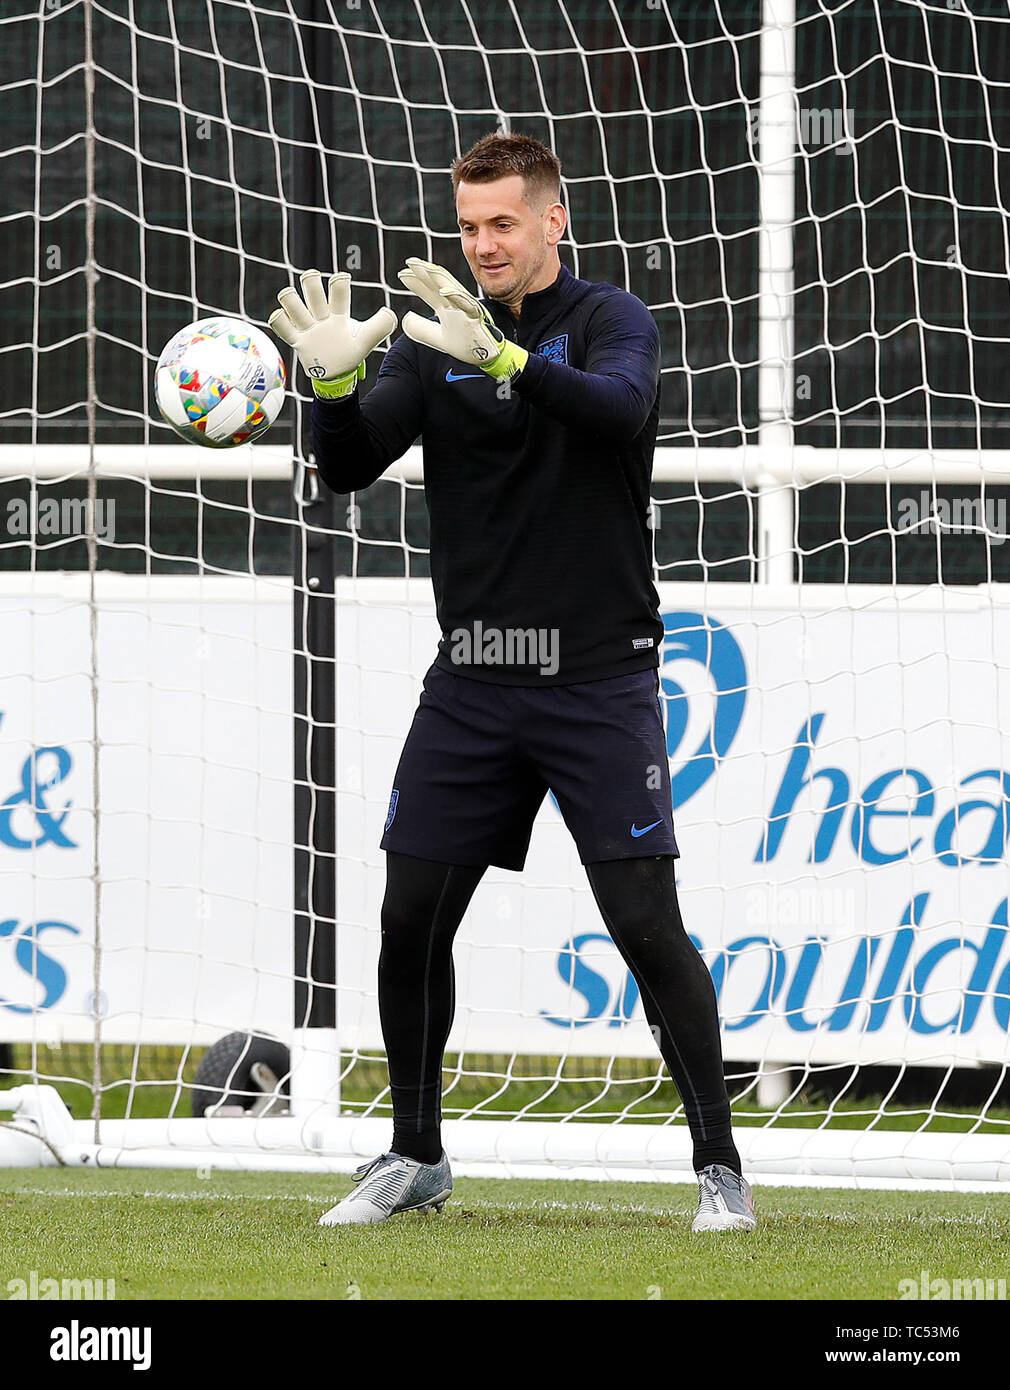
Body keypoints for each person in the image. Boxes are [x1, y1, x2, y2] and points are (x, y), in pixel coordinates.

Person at [269, 131, 755, 1234]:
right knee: (408, 917)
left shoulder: (609, 320)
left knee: (642, 922)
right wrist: (338, 387)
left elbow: (616, 411)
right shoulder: (432, 330)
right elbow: (347, 465)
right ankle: (415, 1156)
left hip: (596, 677)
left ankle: (719, 1168)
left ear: (552, 220)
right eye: (469, 225)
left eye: (503, 223)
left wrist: (503, 362)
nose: (483, 245)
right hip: (473, 682)